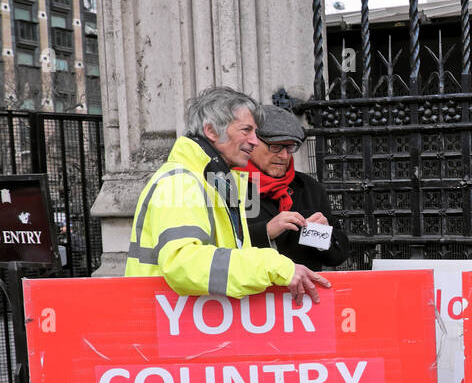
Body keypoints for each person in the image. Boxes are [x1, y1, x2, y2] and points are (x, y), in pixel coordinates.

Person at [125, 86, 329, 303]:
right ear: (211, 131)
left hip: (185, 320)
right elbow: (183, 263)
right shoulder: (181, 181)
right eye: (246, 130)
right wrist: (273, 265)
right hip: (164, 320)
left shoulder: (217, 181)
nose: (254, 141)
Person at [240, 106, 349, 270]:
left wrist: (322, 236)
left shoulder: (309, 187)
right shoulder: (228, 184)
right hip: (252, 293)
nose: (284, 155)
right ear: (253, 142)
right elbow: (217, 246)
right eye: (275, 146)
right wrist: (266, 231)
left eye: (290, 147)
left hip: (304, 293)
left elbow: (338, 256)